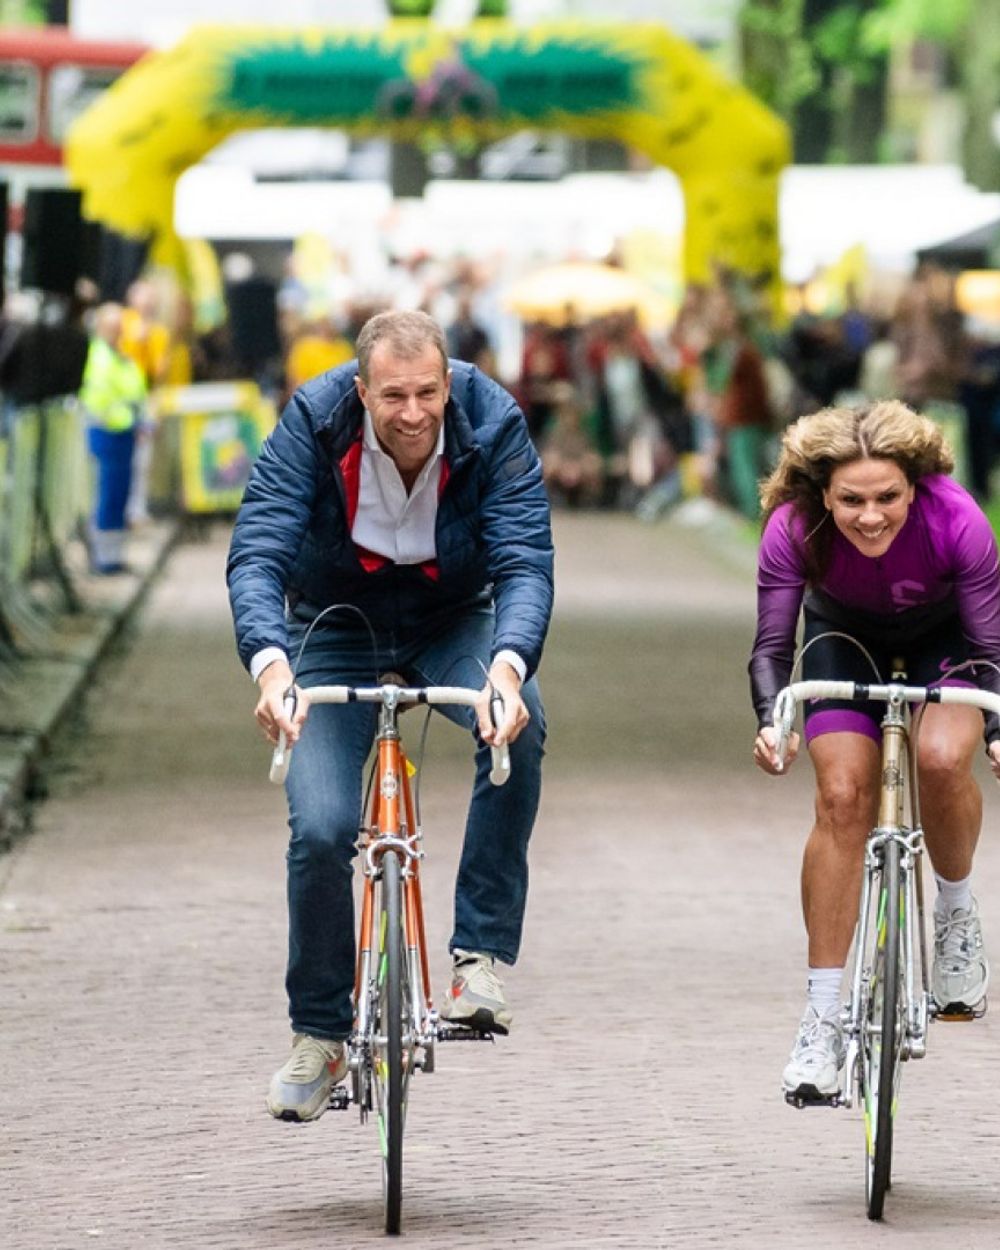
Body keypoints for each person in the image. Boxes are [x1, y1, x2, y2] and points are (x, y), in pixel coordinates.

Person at [227, 309, 553, 1122]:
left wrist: (508, 671)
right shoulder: (313, 416)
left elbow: (524, 558)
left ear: (450, 383)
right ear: (362, 388)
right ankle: (320, 1035)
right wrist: (271, 667)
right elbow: (259, 547)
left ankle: (477, 956)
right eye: (394, 396)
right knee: (324, 824)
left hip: (451, 616)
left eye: (429, 394)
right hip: (333, 619)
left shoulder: (492, 418)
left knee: (525, 724)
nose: (413, 414)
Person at [749, 400, 1000, 1102]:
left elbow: (991, 647)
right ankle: (823, 1019)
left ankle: (953, 910)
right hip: (844, 639)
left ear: (914, 487)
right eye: (850, 500)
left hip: (944, 647)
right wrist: (775, 723)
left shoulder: (958, 520)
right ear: (820, 494)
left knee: (945, 757)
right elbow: (772, 648)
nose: (870, 516)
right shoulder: (793, 527)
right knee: (841, 797)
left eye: (887, 497)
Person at [78, 303, 147, 574]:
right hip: (107, 435)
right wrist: (131, 417)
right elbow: (101, 401)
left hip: (124, 434)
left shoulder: (119, 355)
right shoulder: (98, 357)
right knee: (107, 496)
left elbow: (134, 390)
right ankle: (104, 559)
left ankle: (115, 556)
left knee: (120, 496)